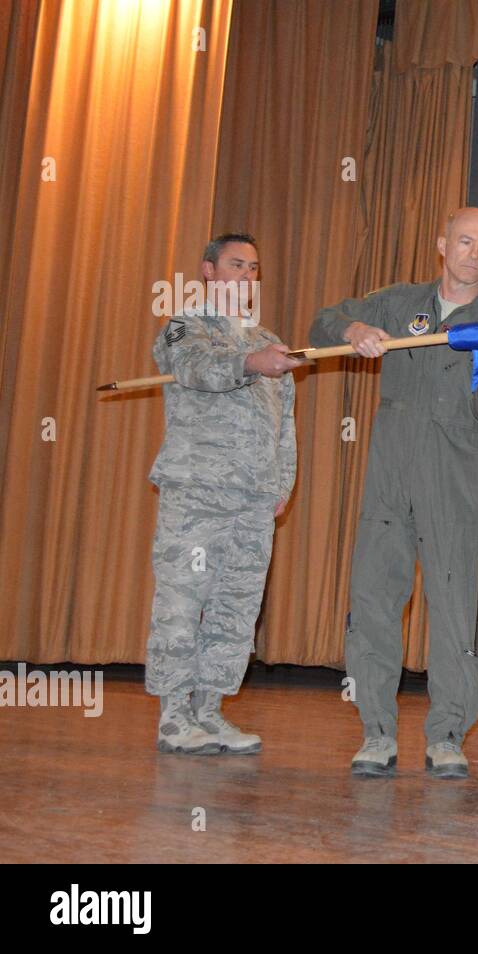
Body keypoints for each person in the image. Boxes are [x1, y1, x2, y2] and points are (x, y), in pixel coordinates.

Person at [308, 208, 478, 779]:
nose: (474, 255)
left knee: (452, 612)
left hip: (451, 474)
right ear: (441, 243)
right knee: (375, 599)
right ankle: (377, 732)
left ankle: (448, 736)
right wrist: (355, 332)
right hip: (390, 469)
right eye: (466, 242)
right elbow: (323, 321)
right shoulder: (401, 303)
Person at [147, 233, 300, 755]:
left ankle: (208, 712)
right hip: (198, 492)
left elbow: (285, 427)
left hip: (255, 500)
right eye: (236, 265)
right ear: (209, 271)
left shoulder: (270, 339)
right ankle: (173, 715)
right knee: (182, 601)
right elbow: (197, 370)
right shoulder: (184, 328)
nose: (247, 276)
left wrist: (282, 484)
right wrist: (253, 364)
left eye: (255, 268)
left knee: (236, 606)